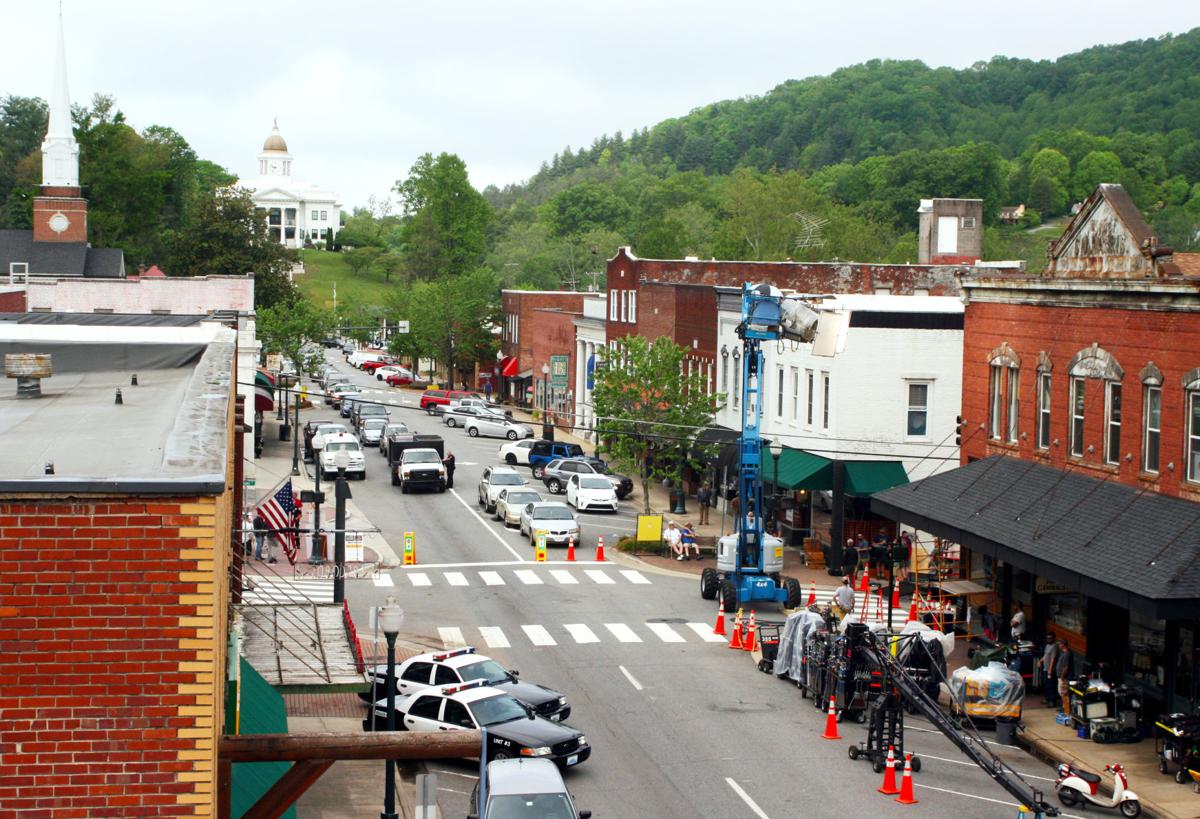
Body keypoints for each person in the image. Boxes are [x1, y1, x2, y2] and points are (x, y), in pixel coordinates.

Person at [1039, 635, 1061, 707]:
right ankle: (1047, 698)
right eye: (1047, 638)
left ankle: (1052, 701)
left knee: (1050, 685)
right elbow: (1045, 655)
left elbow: (1053, 659)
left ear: (1054, 638)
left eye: (1050, 638)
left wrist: (1050, 670)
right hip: (1045, 668)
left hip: (1050, 669)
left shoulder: (1054, 647)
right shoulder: (1047, 645)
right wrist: (1040, 661)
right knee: (1046, 684)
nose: (1048, 639)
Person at [1054, 638, 1073, 714]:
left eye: (1060, 644)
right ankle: (1064, 707)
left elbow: (1065, 667)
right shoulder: (1064, 653)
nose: (1059, 645)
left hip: (1064, 677)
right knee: (1062, 692)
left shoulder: (1067, 654)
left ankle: (1066, 709)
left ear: (1063, 645)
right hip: (1061, 677)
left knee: (1064, 693)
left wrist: (1062, 677)